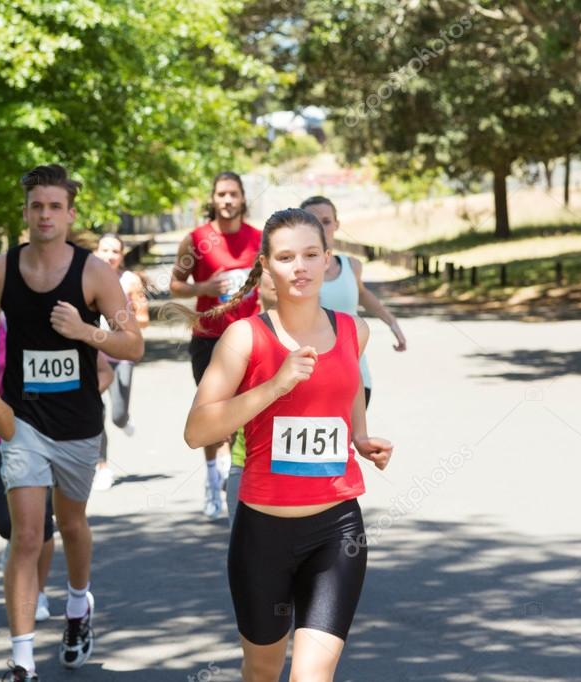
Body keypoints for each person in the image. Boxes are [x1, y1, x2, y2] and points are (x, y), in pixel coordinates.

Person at [183, 208, 393, 682]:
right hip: (263, 533)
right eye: (286, 256)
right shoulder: (245, 337)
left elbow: (349, 396)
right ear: (267, 266)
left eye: (310, 255)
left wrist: (361, 439)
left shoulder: (353, 331)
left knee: (312, 677)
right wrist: (274, 386)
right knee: (262, 669)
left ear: (327, 260)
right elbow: (197, 430)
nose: (299, 266)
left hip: (338, 530)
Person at [0, 164, 144, 681]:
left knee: (71, 524)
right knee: (26, 536)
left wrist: (86, 332)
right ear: (24, 212)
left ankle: (76, 606)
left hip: (78, 424)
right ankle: (21, 659)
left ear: (69, 214)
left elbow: (132, 343)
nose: (44, 215)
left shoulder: (94, 273)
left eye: (54, 206)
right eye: (36, 206)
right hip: (21, 421)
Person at [0, 314, 114, 624]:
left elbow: (104, 372)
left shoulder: (63, 323)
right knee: (7, 524)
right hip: (5, 435)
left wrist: (74, 400)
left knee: (38, 525)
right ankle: (18, 548)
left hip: (54, 438)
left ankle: (38, 592)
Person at [170, 171, 263, 520]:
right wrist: (204, 288)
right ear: (213, 198)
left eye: (233, 194)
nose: (227, 201)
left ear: (242, 199)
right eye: (221, 194)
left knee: (249, 411)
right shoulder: (196, 240)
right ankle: (212, 481)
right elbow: (176, 285)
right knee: (212, 413)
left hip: (252, 339)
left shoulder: (259, 238)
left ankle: (243, 482)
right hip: (209, 338)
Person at [299, 196, 407, 407]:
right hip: (310, 376)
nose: (320, 227)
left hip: (355, 375)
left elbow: (363, 294)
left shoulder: (352, 266)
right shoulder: (295, 272)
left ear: (337, 225)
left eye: (326, 221)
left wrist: (392, 323)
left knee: (350, 439)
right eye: (312, 220)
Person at [92, 232, 150, 490]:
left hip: (121, 354)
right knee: (96, 412)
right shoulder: (86, 279)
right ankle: (101, 466)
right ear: (96, 252)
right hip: (93, 354)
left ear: (122, 255)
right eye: (105, 250)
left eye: (115, 251)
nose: (109, 256)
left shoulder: (130, 281)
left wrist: (123, 322)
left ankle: (124, 419)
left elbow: (145, 319)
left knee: (116, 414)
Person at [225, 268, 277, 529]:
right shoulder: (243, 336)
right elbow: (202, 425)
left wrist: (360, 438)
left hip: (322, 480)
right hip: (249, 468)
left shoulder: (338, 333)